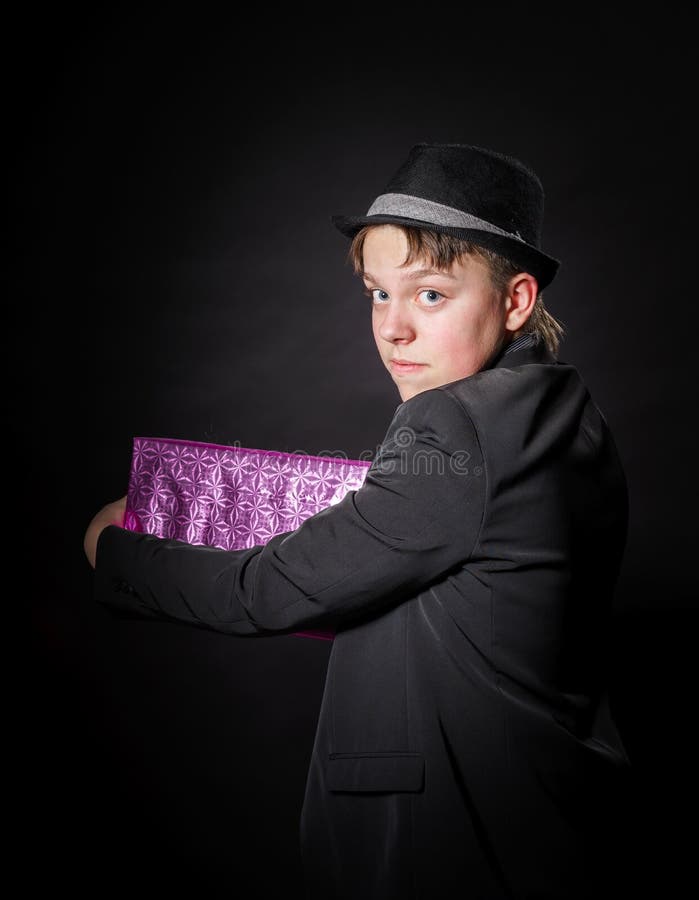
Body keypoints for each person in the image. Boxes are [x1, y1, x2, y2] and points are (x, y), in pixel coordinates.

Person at [84, 143, 632, 899]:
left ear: (514, 301)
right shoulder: (568, 414)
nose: (394, 328)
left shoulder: (452, 426)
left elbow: (265, 592)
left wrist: (116, 550)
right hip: (548, 806)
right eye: (378, 294)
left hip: (452, 828)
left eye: (430, 294)